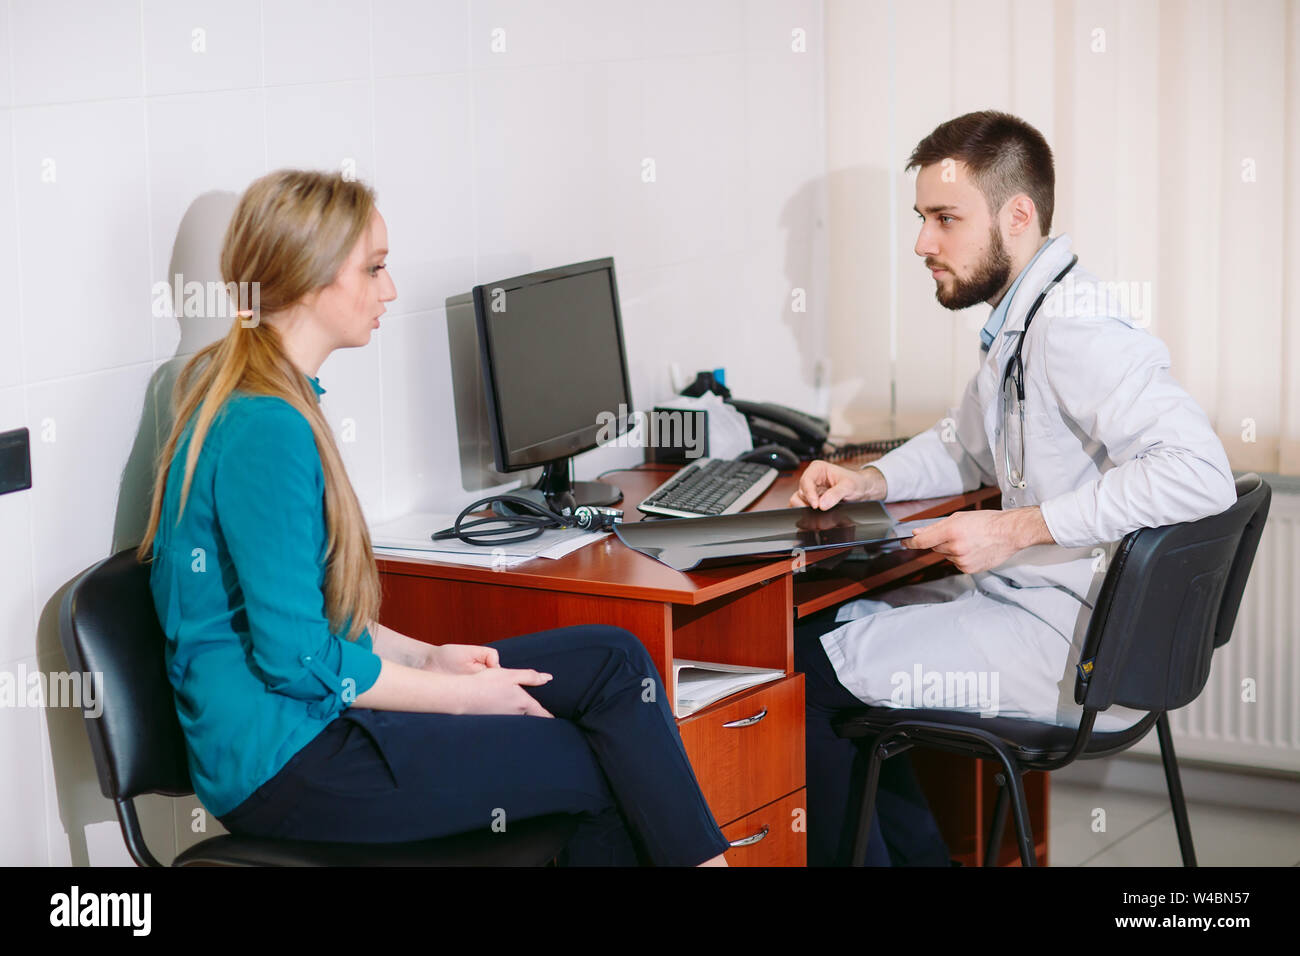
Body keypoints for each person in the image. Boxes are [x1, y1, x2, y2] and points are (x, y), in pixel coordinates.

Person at [137, 169, 731, 867]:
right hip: (285, 764)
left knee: (613, 661)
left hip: (313, 719)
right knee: (598, 767)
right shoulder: (264, 426)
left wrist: (429, 658)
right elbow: (297, 659)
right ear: (308, 279)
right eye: (376, 269)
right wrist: (460, 698)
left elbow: (309, 615)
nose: (390, 289)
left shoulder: (268, 396)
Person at [791, 110, 1237, 867]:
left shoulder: (1073, 329)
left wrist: (1015, 528)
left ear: (1017, 215)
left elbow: (1200, 473)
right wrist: (871, 476)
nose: (922, 243)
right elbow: (965, 445)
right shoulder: (1024, 320)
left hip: (1074, 650)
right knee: (824, 648)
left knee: (800, 679)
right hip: (1050, 619)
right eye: (921, 218)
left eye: (945, 219)